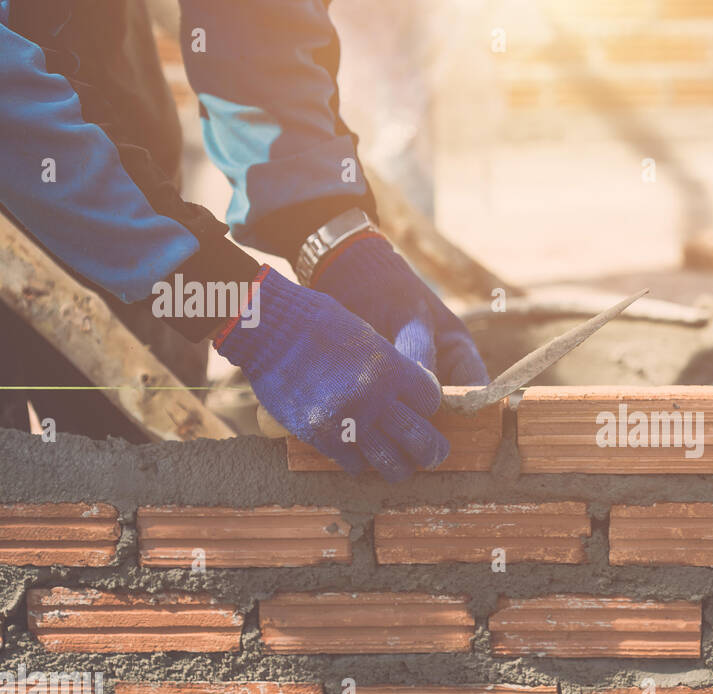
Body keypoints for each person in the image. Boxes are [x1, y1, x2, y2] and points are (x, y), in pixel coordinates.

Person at [0, 0, 488, 482]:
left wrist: (330, 234)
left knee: (138, 474)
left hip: (87, 43)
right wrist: (242, 308)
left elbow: (254, 17)